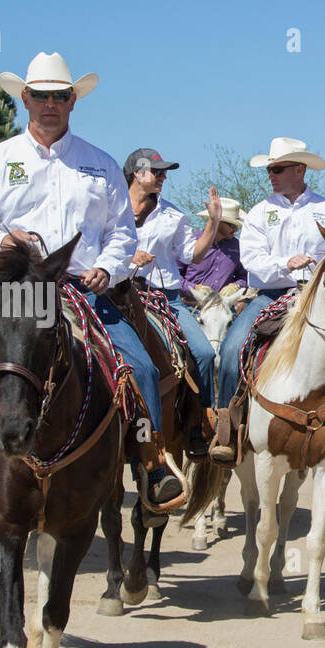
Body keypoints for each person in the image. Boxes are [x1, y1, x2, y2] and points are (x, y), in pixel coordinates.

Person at [0, 51, 182, 512]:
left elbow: (123, 232)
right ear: (25, 98)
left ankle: (151, 463)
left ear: (72, 102)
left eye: (59, 96)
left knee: (140, 367)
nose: (50, 104)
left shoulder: (100, 165)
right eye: (40, 95)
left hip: (83, 290)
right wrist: (2, 238)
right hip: (14, 289)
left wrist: (108, 266)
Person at [211, 136, 325, 464]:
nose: (270, 175)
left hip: (318, 300)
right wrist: (284, 265)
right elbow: (251, 260)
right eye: (270, 169)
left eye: (277, 168)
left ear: (299, 170)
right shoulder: (260, 213)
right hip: (269, 295)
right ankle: (227, 431)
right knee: (231, 349)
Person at [124, 147, 224, 457]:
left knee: (205, 354)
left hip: (164, 298)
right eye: (157, 172)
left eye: (164, 172)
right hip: (119, 296)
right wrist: (129, 259)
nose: (163, 177)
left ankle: (199, 425)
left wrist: (214, 223)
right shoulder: (109, 209)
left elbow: (191, 255)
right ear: (137, 173)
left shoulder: (173, 215)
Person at [179, 196, 249, 306]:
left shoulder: (238, 247)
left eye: (237, 226)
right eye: (232, 225)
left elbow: (246, 276)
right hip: (189, 305)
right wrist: (194, 288)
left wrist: (236, 285)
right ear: (218, 221)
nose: (235, 229)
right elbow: (173, 275)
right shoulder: (190, 242)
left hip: (222, 307)